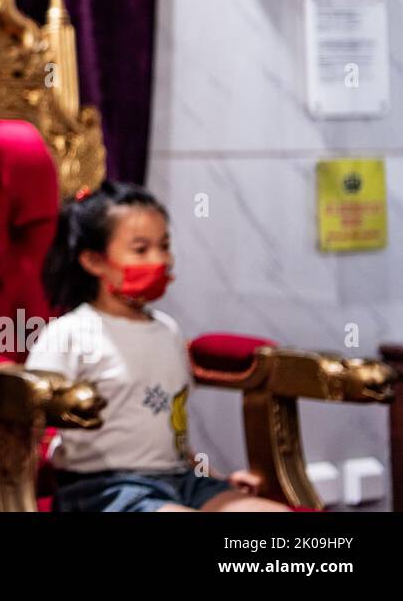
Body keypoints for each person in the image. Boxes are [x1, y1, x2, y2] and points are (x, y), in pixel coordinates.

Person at [24, 181, 288, 512]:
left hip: (180, 479)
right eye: (141, 249)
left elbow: (169, 427)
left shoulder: (168, 330)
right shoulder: (69, 335)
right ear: (93, 260)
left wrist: (216, 477)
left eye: (164, 246)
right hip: (103, 487)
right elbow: (27, 422)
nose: (161, 260)